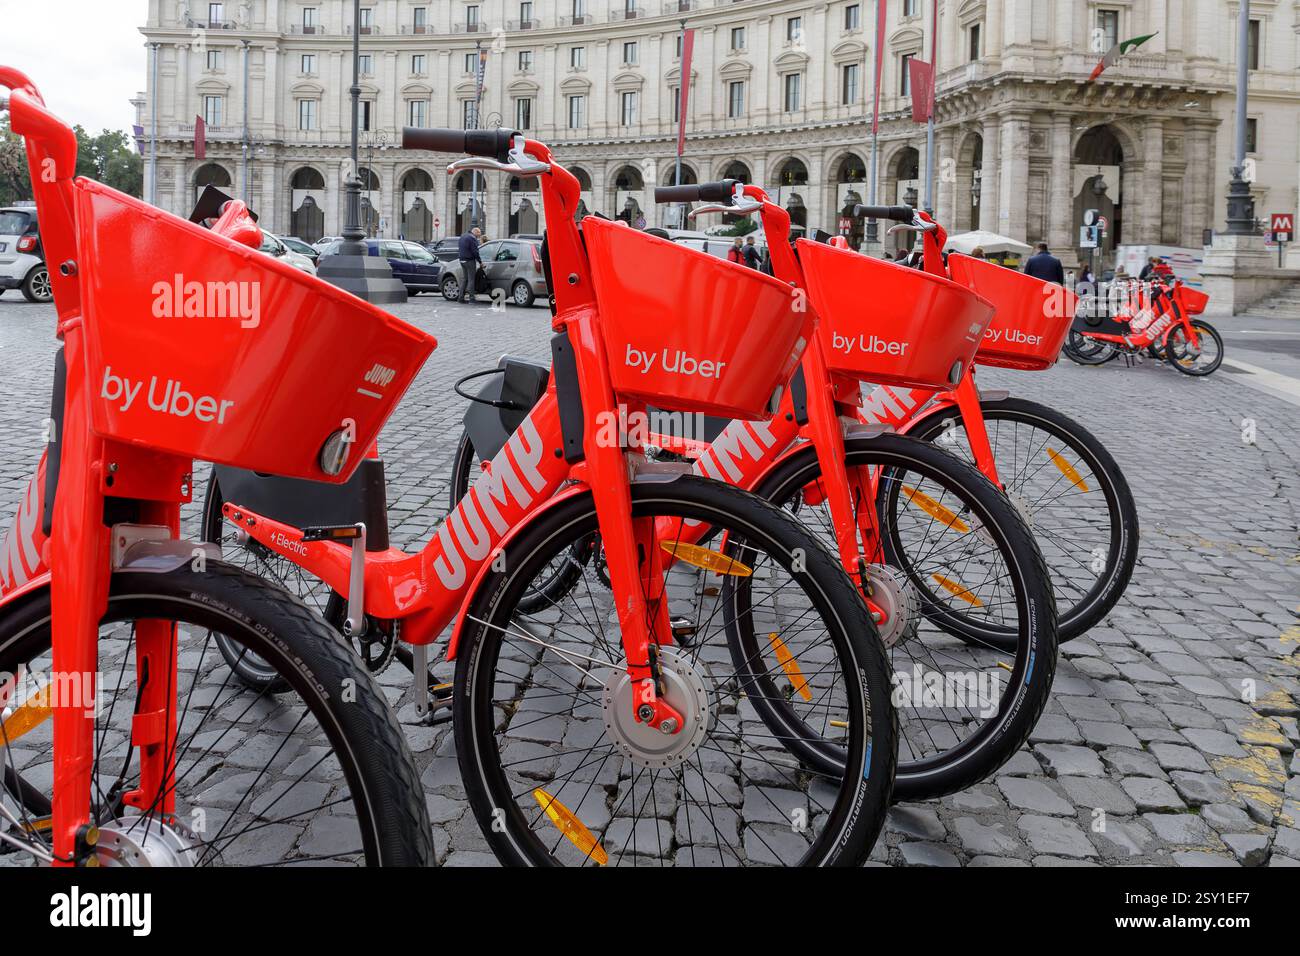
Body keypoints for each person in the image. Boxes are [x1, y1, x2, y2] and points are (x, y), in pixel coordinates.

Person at [457, 226, 482, 303]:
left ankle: (460, 298)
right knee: (471, 280)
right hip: (469, 261)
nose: (479, 236)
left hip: (462, 260)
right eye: (479, 234)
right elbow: (475, 251)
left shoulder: (462, 236)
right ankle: (472, 298)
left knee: (465, 279)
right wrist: (480, 261)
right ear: (475, 232)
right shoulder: (472, 238)